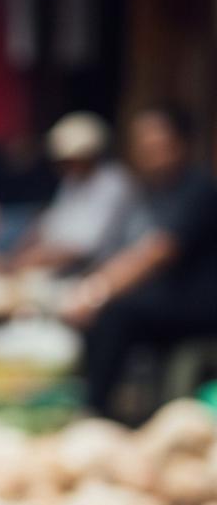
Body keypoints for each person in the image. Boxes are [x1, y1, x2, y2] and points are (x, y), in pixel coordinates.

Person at [63, 103, 217, 416]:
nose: (149, 150)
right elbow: (124, 252)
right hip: (162, 299)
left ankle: (95, 413)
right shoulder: (147, 192)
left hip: (199, 306)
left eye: (158, 142)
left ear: (182, 143)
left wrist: (97, 291)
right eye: (143, 143)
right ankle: (95, 404)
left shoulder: (198, 189)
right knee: (103, 312)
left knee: (116, 314)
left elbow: (157, 253)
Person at [7, 112, 132, 273]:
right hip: (56, 266)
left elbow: (85, 247)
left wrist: (28, 260)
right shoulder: (72, 180)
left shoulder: (114, 183)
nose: (63, 166)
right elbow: (49, 224)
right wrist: (18, 254)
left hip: (95, 273)